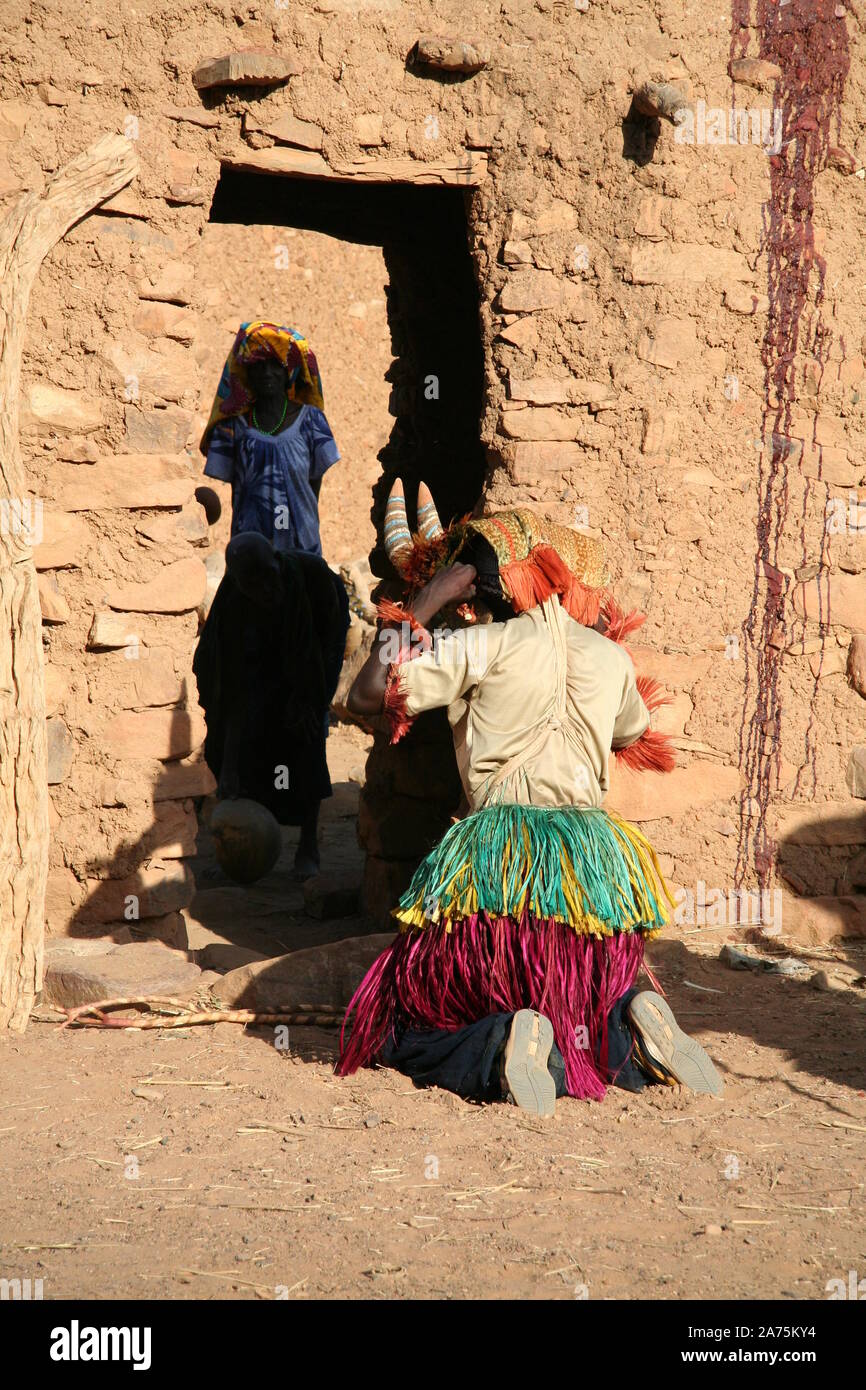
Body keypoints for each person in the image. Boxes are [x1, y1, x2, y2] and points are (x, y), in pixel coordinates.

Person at [337, 483, 723, 1114]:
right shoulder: (609, 657)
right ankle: (629, 1011)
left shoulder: (475, 648)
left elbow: (366, 695)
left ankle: (502, 1036)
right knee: (581, 1012)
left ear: (482, 590)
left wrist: (426, 600)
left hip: (499, 870)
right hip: (593, 878)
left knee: (409, 1014)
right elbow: (631, 729)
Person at [193, 532, 349, 879]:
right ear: (239, 582)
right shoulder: (232, 602)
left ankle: (308, 844)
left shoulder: (314, 580)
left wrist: (312, 700)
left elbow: (329, 648)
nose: (266, 589)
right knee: (251, 741)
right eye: (254, 584)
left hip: (312, 658)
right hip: (258, 666)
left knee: (306, 740)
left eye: (269, 577)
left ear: (276, 563)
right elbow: (230, 680)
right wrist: (229, 764)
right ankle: (250, 848)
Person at [199, 320, 339, 556]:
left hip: (302, 547)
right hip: (251, 550)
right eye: (259, 366)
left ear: (289, 373)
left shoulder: (312, 422)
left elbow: (314, 482)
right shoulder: (233, 427)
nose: (267, 373)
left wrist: (302, 520)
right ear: (247, 373)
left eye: (276, 365)